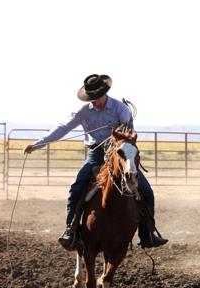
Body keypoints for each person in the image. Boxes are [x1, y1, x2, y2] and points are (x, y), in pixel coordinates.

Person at [24, 74, 167, 250]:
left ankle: (148, 233)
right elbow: (63, 128)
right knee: (76, 187)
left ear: (104, 93)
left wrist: (122, 132)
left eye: (97, 98)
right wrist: (38, 144)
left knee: (145, 190)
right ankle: (71, 230)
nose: (95, 102)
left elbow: (129, 130)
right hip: (95, 154)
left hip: (119, 153)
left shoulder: (119, 108)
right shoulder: (83, 112)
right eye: (91, 98)